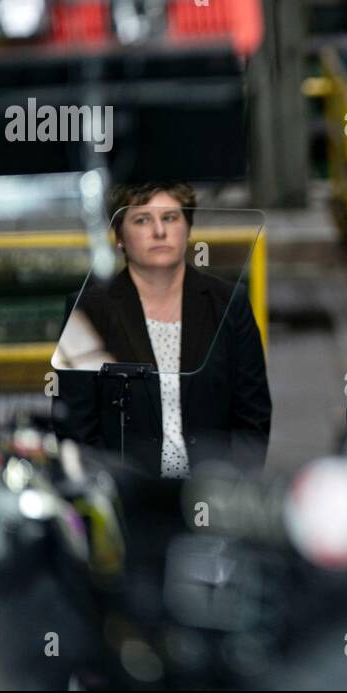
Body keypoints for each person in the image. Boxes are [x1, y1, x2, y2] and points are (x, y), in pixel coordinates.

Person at [53, 182, 271, 475]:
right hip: (128, 497)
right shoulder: (88, 311)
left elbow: (252, 416)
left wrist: (231, 489)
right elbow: (76, 427)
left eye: (170, 217)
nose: (159, 231)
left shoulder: (229, 303)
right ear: (119, 235)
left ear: (188, 228)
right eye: (142, 220)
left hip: (214, 490)